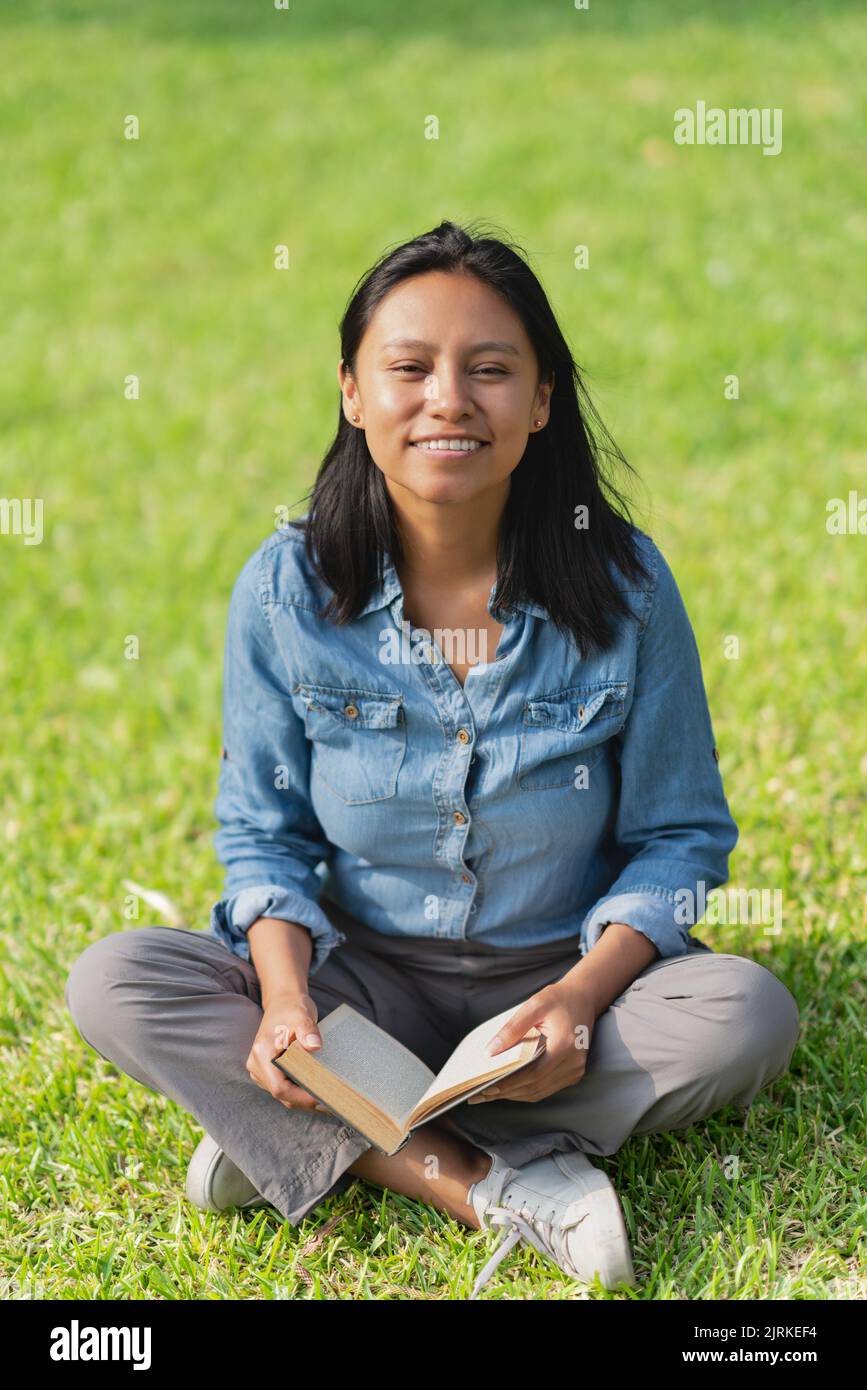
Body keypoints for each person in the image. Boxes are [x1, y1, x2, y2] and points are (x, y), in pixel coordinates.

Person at [64, 219, 800, 1300]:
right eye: (409, 367)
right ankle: (488, 1184)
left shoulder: (628, 586)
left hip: (555, 984)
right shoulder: (285, 589)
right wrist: (281, 1003)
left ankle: (320, 1140)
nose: (448, 397)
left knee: (748, 1014)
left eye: (490, 369)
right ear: (354, 393)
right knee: (117, 980)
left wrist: (582, 999)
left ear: (542, 400)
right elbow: (265, 837)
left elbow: (679, 837)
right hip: (361, 983)